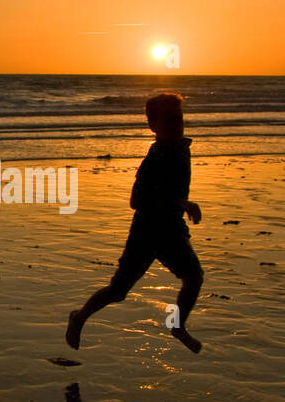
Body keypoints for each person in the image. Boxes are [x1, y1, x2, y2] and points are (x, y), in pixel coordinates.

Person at [66, 91, 204, 353]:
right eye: (169, 120)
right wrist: (181, 203)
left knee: (194, 277)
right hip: (146, 233)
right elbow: (136, 200)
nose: (176, 125)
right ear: (153, 126)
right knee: (118, 291)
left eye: (179, 119)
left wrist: (180, 205)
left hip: (172, 230)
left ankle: (178, 326)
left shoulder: (181, 149)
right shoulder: (155, 158)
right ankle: (79, 317)